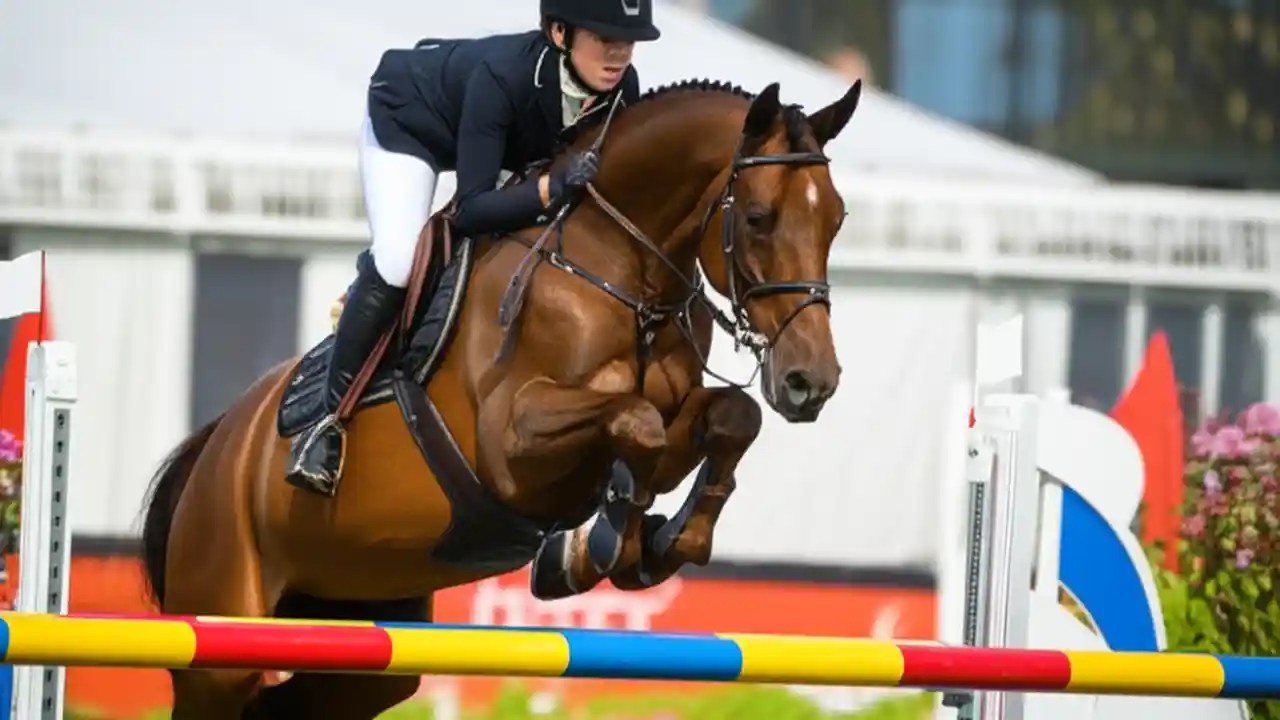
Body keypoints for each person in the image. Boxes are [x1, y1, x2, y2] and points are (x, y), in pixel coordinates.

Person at [285, 0, 663, 495]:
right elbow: (471, 210)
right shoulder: (502, 78)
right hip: (412, 124)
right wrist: (549, 188)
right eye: (603, 39)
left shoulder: (621, 92)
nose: (618, 55)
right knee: (399, 261)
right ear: (559, 33)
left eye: (627, 42)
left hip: (504, 146)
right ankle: (325, 424)